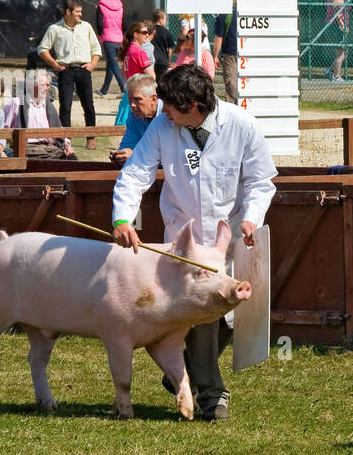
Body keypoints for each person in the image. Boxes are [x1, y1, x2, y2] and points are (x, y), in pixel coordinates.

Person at [111, 63, 278, 421]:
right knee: (203, 314)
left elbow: (261, 182)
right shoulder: (163, 126)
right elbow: (137, 171)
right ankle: (212, 395)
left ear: (191, 105)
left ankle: (184, 368)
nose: (163, 111)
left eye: (170, 106)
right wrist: (122, 217)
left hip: (233, 237)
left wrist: (251, 217)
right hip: (185, 241)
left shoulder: (241, 125)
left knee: (232, 320)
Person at [37, 0, 101, 149]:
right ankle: (66, 139)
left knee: (89, 105)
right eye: (77, 11)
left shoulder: (86, 27)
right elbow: (42, 49)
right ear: (68, 12)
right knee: (65, 106)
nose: (81, 14)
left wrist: (92, 65)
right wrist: (55, 64)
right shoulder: (55, 28)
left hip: (84, 70)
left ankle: (91, 138)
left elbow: (96, 49)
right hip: (66, 71)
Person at [13, 69, 74, 160]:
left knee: (73, 160)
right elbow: (5, 130)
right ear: (31, 86)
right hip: (29, 149)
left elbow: (58, 129)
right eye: (44, 85)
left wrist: (66, 145)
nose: (47, 88)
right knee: (52, 162)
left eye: (48, 85)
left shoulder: (48, 105)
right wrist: (17, 147)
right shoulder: (17, 103)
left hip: (50, 148)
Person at [109, 74, 160, 164]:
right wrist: (120, 154)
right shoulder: (134, 115)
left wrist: (136, 156)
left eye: (137, 99)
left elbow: (169, 155)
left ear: (153, 99)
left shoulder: (168, 115)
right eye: (130, 99)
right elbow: (129, 143)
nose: (132, 104)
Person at [113, 21, 156, 126]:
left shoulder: (129, 50)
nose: (147, 35)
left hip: (129, 92)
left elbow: (123, 71)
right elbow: (152, 76)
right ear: (135, 34)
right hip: (139, 93)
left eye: (148, 32)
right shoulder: (139, 52)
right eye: (144, 32)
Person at [95, 0, 126, 97]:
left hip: (108, 39)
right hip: (119, 38)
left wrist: (100, 35)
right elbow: (124, 24)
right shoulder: (120, 5)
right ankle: (104, 90)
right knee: (111, 64)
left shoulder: (101, 6)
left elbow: (99, 25)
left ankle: (124, 88)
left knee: (114, 65)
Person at [212, 0, 239, 104]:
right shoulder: (243, 12)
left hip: (230, 53)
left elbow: (219, 37)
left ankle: (234, 107)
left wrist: (215, 55)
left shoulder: (222, 16)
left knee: (231, 82)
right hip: (245, 51)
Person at [324, 0, 348, 81]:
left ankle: (330, 70)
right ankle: (336, 75)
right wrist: (342, 25)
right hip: (336, 26)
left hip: (339, 26)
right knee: (341, 52)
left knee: (343, 51)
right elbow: (336, 12)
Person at [150, 9, 174, 78]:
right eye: (165, 19)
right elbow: (170, 49)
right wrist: (169, 62)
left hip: (151, 60)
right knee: (161, 82)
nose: (165, 21)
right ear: (160, 19)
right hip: (162, 61)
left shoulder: (149, 30)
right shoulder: (166, 32)